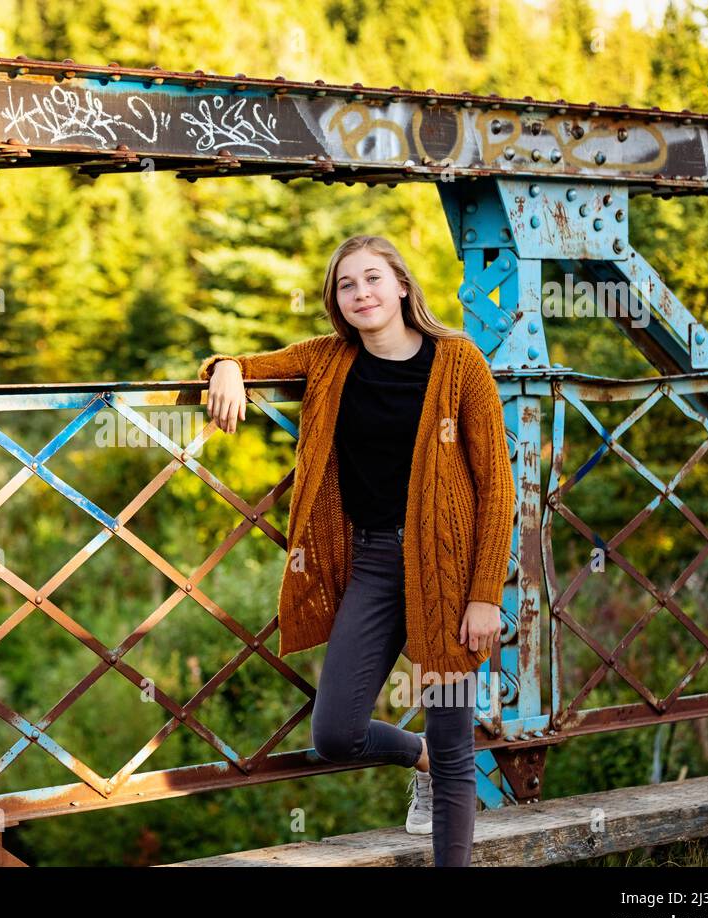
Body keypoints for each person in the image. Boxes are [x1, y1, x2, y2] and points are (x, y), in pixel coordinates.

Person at [198, 234, 516, 866]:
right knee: (337, 733)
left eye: (372, 279)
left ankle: (441, 784)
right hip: (371, 564)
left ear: (402, 286)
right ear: (335, 301)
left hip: (449, 574)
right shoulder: (329, 358)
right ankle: (415, 756)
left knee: (456, 751)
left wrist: (485, 595)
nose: (361, 293)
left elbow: (498, 489)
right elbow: (246, 363)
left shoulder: (459, 362)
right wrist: (226, 369)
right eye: (347, 285)